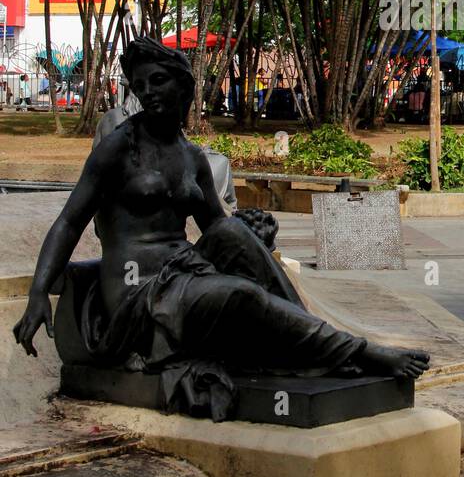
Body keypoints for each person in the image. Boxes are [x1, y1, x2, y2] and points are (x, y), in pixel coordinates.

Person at [13, 37, 429, 418]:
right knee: (241, 294)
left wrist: (253, 233)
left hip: (183, 274)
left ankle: (311, 345)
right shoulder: (121, 148)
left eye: (157, 81)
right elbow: (69, 221)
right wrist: (37, 293)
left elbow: (218, 231)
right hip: (140, 296)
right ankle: (357, 352)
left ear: (184, 87)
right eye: (140, 86)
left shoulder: (192, 158)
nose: (147, 93)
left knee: (234, 234)